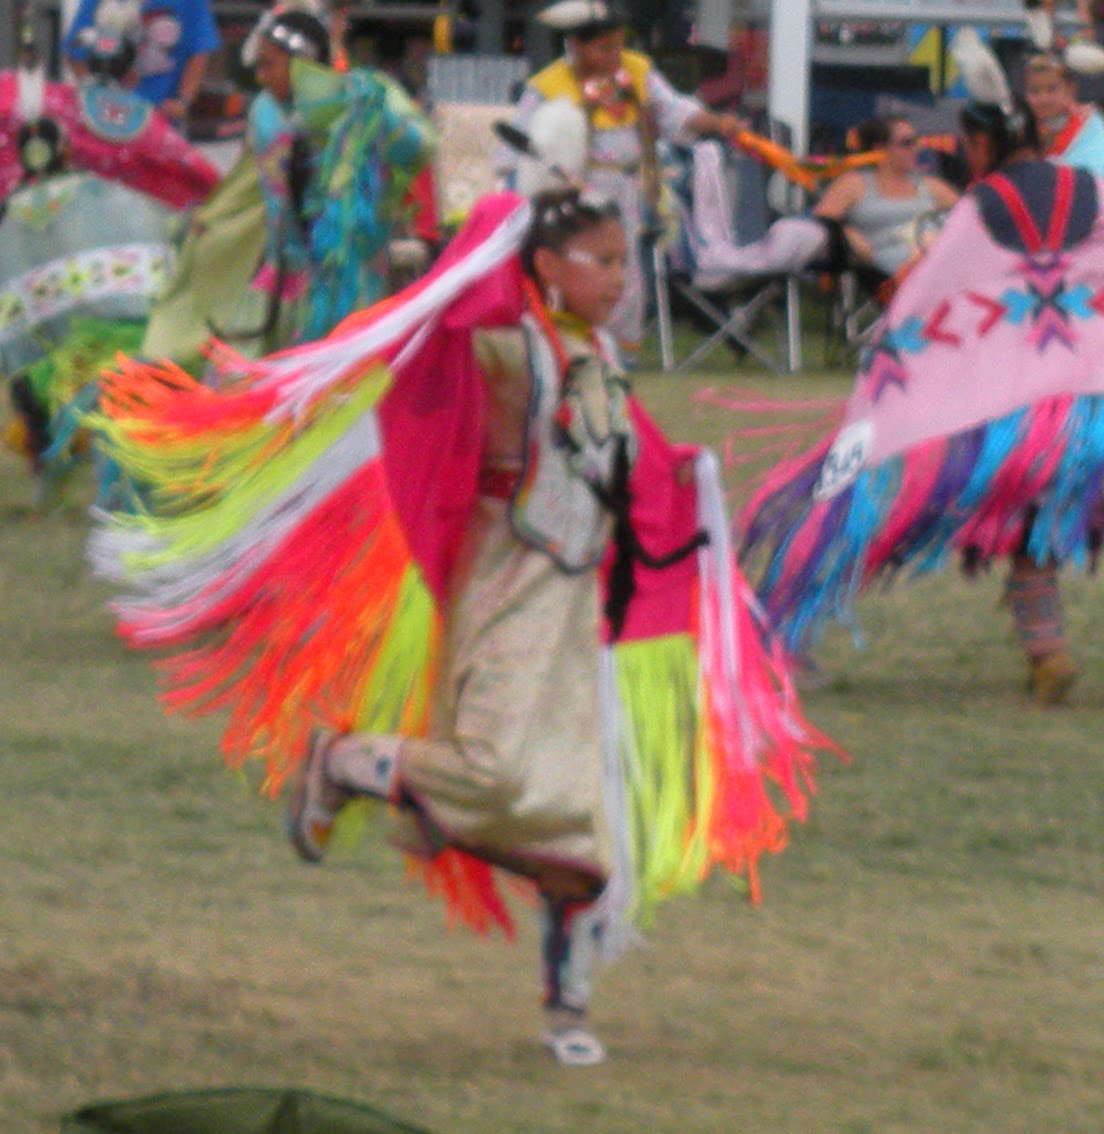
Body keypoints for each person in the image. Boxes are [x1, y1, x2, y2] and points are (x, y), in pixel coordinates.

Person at [88, 187, 834, 1065]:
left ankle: (568, 1011)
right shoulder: (503, 342)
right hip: (508, 584)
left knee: (585, 823)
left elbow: (621, 459)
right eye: (601, 261)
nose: (620, 279)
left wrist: (685, 480)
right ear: (547, 266)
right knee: (494, 768)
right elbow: (445, 334)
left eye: (626, 261)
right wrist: (489, 243)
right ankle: (345, 761)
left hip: (576, 607)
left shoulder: (591, 350)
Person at [739, 33, 1104, 706]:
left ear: (984, 144)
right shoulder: (1090, 188)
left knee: (872, 503)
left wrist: (889, 376)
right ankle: (1046, 652)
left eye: (968, 145)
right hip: (1087, 411)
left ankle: (784, 639)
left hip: (994, 416)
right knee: (1039, 523)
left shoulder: (979, 207)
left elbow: (922, 303)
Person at [140, 7, 434, 364]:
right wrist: (215, 218)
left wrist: (375, 114)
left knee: (341, 391)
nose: (260, 76)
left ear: (302, 63)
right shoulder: (265, 113)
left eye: (269, 64)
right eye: (259, 64)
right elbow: (250, 181)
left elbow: (419, 148)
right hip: (281, 279)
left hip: (350, 282)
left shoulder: (363, 99)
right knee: (246, 386)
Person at [497, 0, 748, 358]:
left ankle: (617, 358)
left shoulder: (636, 72)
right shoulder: (548, 85)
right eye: (604, 48)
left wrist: (718, 123)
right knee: (577, 269)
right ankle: (567, 349)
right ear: (576, 46)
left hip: (626, 194)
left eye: (618, 45)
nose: (615, 55)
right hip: (571, 197)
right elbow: (516, 152)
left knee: (624, 276)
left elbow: (675, 110)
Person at [693, 114, 960, 290]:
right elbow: (824, 221)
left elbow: (968, 217)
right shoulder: (856, 183)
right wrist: (850, 234)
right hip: (882, 266)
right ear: (881, 148)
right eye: (906, 143)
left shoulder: (930, 186)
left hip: (930, 262)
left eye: (916, 142)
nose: (917, 148)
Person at [63, 0, 221, 125]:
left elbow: (200, 49)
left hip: (162, 119)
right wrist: (95, 96)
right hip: (110, 120)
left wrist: (183, 101)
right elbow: (75, 48)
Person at [1023, 51, 1104, 175]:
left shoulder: (1089, 126)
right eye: (1034, 91)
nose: (1043, 98)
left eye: (1052, 89)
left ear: (1070, 90)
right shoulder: (1023, 129)